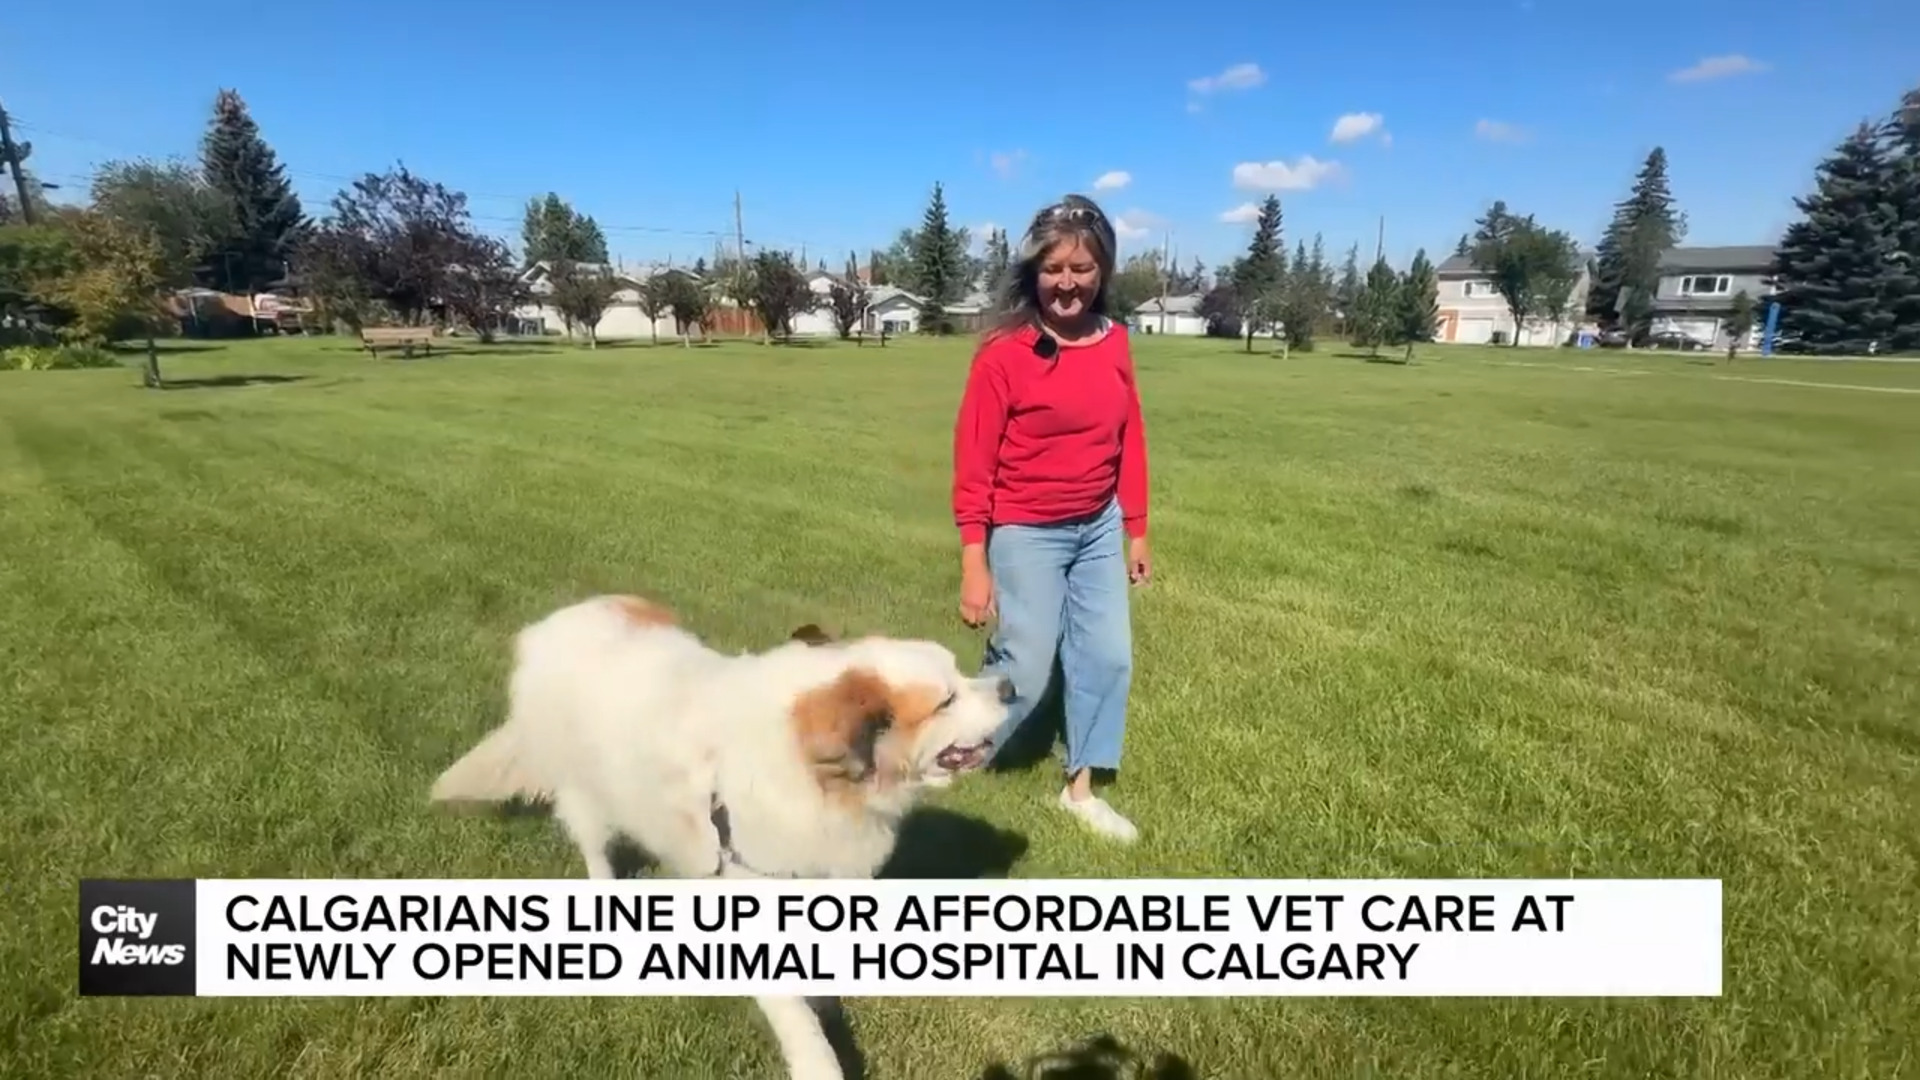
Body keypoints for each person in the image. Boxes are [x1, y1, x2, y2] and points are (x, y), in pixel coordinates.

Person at [949, 194, 1152, 843]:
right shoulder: (1003, 354)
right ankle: (955, 751)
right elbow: (974, 460)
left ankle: (1080, 788)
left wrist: (1136, 528)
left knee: (1108, 656)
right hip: (1024, 529)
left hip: (1096, 526)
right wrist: (974, 560)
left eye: (1082, 268)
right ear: (1034, 271)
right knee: (1030, 668)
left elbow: (1131, 435)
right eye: (1054, 268)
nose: (1067, 283)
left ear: (1103, 272)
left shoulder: (1116, 341)